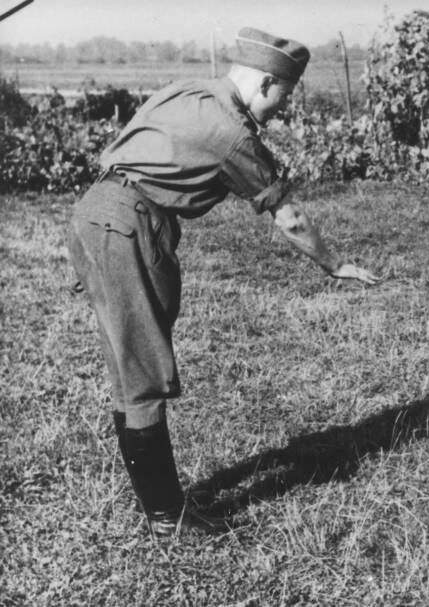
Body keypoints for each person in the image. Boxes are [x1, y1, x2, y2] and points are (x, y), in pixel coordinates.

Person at [68, 27, 379, 540]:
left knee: (128, 367)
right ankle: (167, 517)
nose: (283, 107)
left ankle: (158, 504)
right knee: (143, 372)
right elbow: (290, 218)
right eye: (284, 95)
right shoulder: (234, 134)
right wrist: (334, 264)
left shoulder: (188, 90)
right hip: (127, 227)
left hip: (93, 214)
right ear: (265, 83)